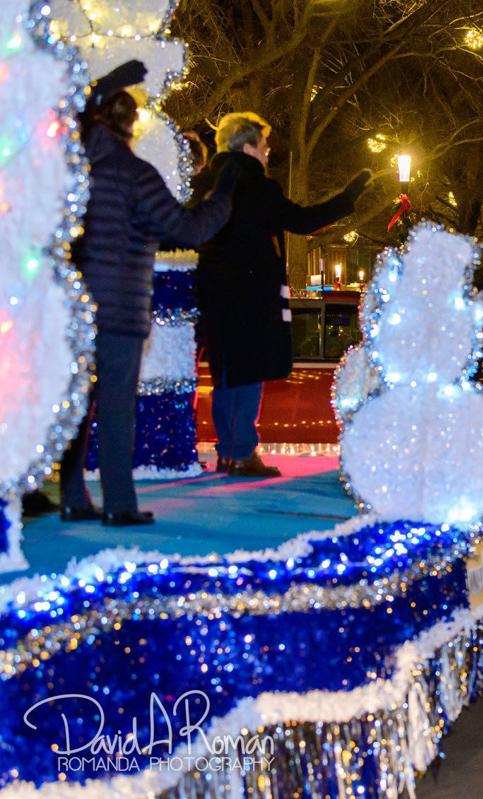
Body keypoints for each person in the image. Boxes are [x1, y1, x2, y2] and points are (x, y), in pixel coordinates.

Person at [60, 78, 238, 527]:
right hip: (120, 306)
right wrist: (222, 195)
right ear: (131, 125)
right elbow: (186, 227)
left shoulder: (76, 167)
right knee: (117, 405)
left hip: (75, 307)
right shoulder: (134, 173)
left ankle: (71, 494)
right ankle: (119, 503)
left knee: (76, 404)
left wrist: (111, 81)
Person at [196, 112, 370, 477]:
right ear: (247, 147)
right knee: (250, 369)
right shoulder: (256, 187)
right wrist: (347, 198)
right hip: (252, 292)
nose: (268, 151)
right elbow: (303, 220)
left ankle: (229, 449)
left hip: (215, 291)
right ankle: (242, 451)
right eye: (263, 144)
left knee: (226, 370)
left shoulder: (208, 183)